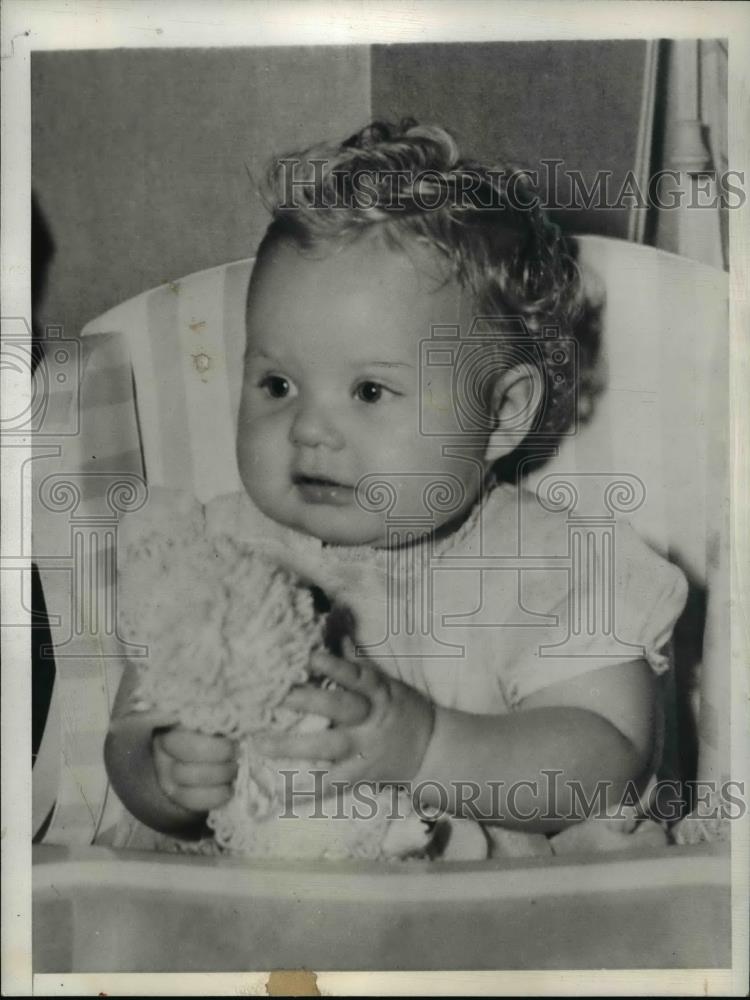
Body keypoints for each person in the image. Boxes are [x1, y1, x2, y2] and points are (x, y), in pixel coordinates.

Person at [104, 120, 688, 856]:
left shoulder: (553, 567)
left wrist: (430, 749)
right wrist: (163, 774)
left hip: (497, 939)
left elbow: (602, 764)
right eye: (278, 384)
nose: (310, 429)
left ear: (502, 412)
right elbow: (132, 729)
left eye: (371, 391)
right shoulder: (219, 560)